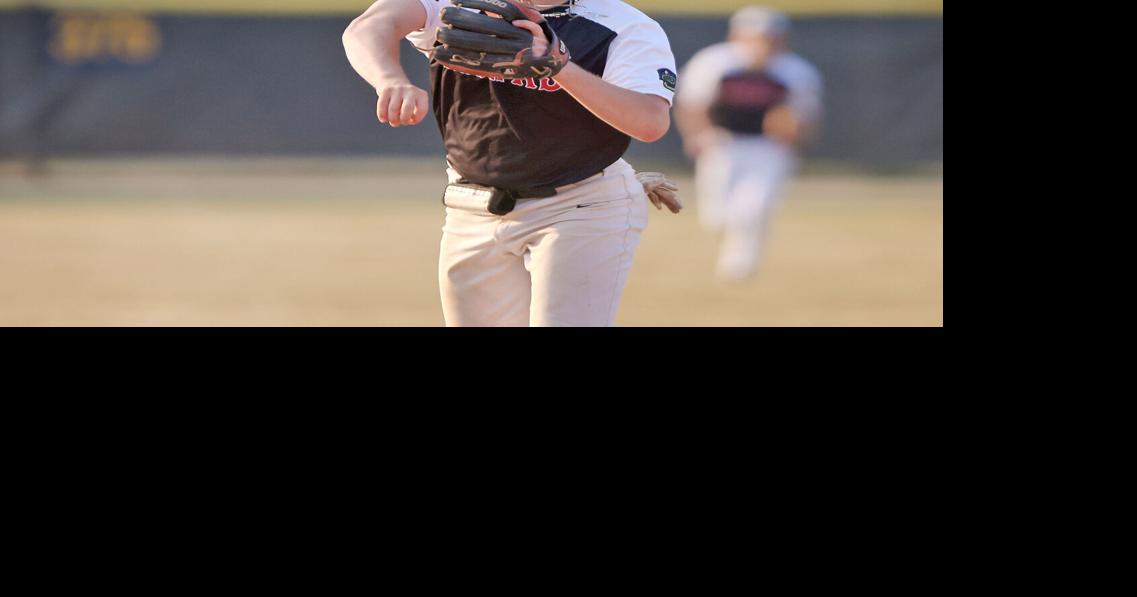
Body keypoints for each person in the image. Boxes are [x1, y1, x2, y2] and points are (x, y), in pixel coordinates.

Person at [342, 0, 681, 326]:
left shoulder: (621, 24)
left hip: (580, 202)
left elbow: (650, 122)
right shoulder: (459, 3)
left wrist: (559, 66)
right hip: (473, 205)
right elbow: (368, 27)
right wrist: (390, 80)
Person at [675, 6, 823, 281]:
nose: (762, 43)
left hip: (768, 147)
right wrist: (698, 134)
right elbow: (692, 104)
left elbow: (805, 117)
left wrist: (794, 139)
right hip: (723, 141)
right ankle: (733, 251)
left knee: (754, 207)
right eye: (755, 36)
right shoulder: (714, 62)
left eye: (769, 37)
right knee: (715, 217)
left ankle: (739, 265)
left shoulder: (795, 71)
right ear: (736, 35)